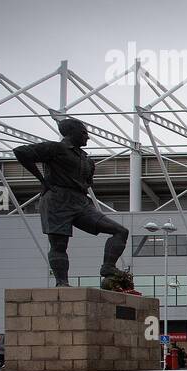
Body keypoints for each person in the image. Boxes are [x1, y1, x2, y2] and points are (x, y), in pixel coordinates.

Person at [11, 119, 129, 288]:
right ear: (71, 131)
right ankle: (62, 283)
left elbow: (87, 183)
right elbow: (21, 152)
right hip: (57, 200)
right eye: (84, 132)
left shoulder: (87, 159)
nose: (87, 137)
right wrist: (42, 180)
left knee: (120, 231)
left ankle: (108, 266)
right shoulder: (56, 148)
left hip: (80, 202)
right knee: (59, 245)